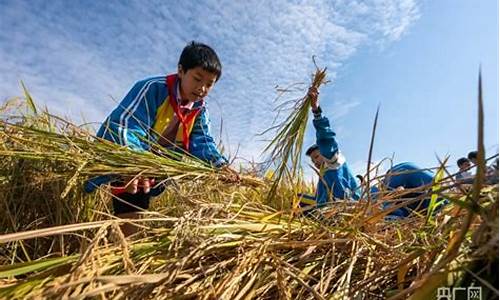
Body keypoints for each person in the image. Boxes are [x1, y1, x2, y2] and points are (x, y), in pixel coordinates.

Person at [85, 41, 238, 235]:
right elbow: (126, 125)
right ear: (181, 71)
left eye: (209, 84)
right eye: (197, 79)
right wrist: (135, 161)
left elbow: (203, 141)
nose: (202, 89)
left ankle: (113, 245)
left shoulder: (200, 110)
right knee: (131, 217)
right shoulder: (153, 89)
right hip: (128, 160)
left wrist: (219, 165)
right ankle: (115, 250)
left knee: (134, 217)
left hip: (152, 169)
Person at [300, 87, 360, 209]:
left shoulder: (332, 161)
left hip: (347, 209)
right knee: (299, 198)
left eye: (316, 156)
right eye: (313, 160)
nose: (315, 162)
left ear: (323, 152)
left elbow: (326, 139)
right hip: (327, 210)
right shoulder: (324, 176)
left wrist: (316, 110)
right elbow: (319, 199)